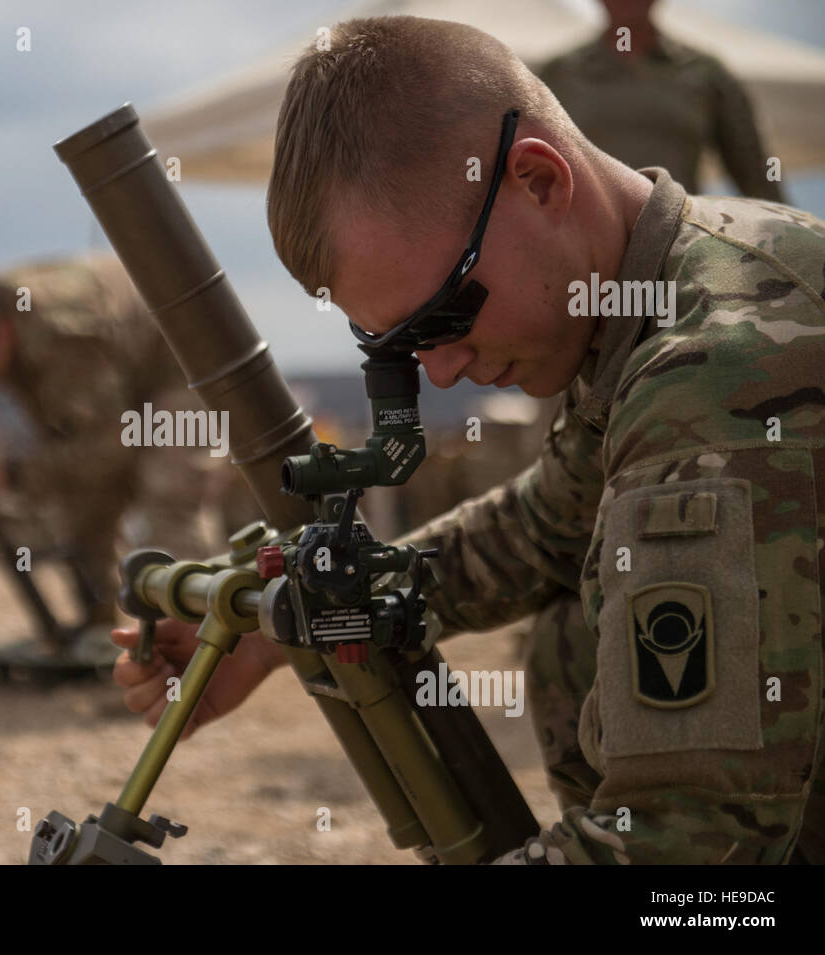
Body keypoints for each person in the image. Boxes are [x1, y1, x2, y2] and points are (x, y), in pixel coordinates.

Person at [112, 15, 824, 864]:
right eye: (398, 348)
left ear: (537, 180)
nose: (441, 372)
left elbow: (687, 861)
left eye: (445, 317)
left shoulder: (715, 372)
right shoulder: (663, 284)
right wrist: (277, 630)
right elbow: (544, 526)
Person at [0, 251, 240, 628]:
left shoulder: (61, 335)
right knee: (81, 499)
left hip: (187, 360)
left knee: (170, 496)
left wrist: (14, 475)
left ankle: (191, 635)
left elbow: (109, 451)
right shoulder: (5, 321)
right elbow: (77, 448)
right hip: (129, 373)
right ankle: (99, 627)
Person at [540, 0, 784, 200]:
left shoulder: (705, 74)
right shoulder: (560, 75)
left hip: (678, 245)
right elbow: (532, 172)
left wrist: (790, 235)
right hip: (584, 247)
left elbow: (758, 177)